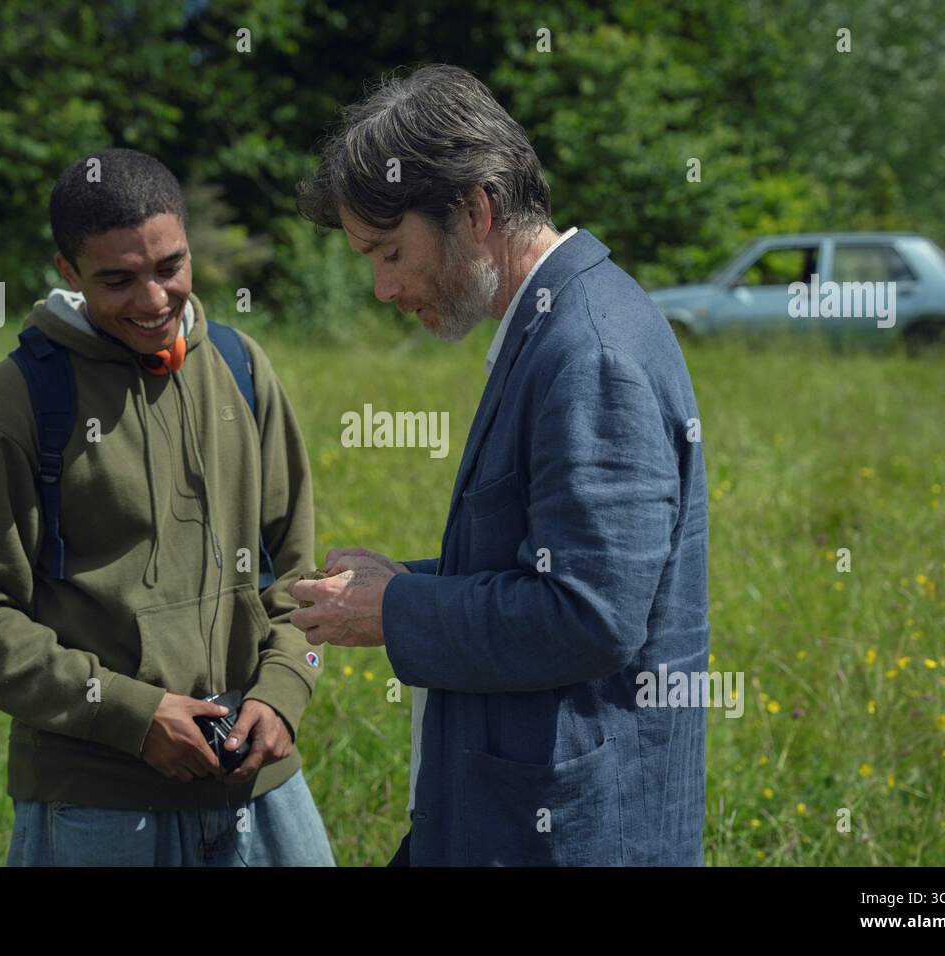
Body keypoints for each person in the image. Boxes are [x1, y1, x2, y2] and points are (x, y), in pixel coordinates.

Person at [291, 65, 710, 866]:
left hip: (567, 831)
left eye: (388, 252)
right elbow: (542, 562)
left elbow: (589, 615)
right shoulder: (550, 320)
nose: (381, 288)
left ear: (474, 210)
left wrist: (399, 611)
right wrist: (403, 582)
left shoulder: (592, 349)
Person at [0, 148, 334, 866]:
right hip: (99, 797)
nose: (152, 301)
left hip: (260, 782)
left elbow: (297, 571)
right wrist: (130, 716)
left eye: (169, 268)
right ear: (68, 272)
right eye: (116, 280)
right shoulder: (18, 401)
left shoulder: (242, 369)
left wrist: (284, 691)